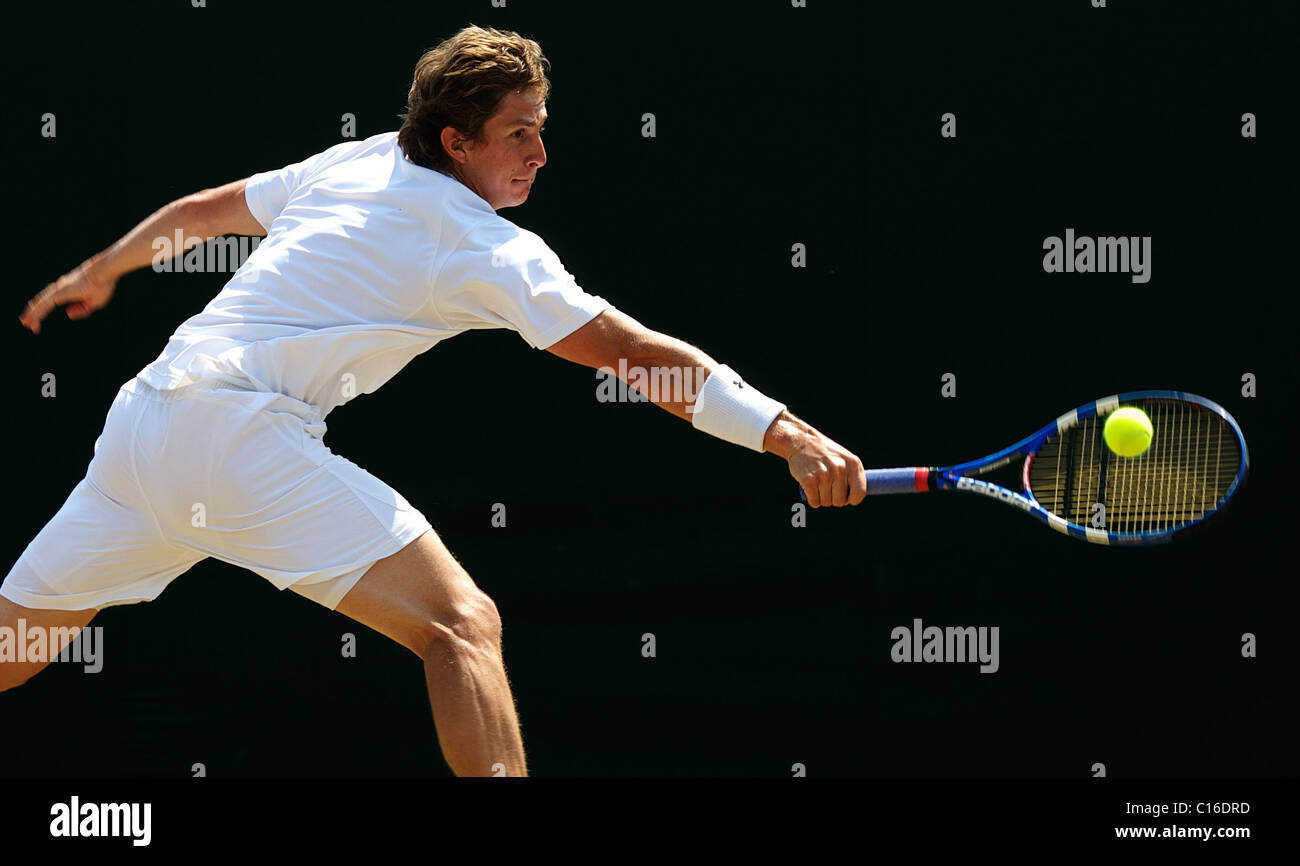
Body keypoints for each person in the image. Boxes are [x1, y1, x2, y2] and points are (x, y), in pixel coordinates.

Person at [3, 25, 866, 777]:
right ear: (457, 142)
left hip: (141, 425)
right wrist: (785, 434)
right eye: (517, 135)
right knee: (461, 628)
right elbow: (636, 357)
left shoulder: (360, 159)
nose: (539, 154)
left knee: (16, 645)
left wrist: (103, 268)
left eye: (540, 130)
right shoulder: (488, 248)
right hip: (236, 438)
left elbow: (202, 211)